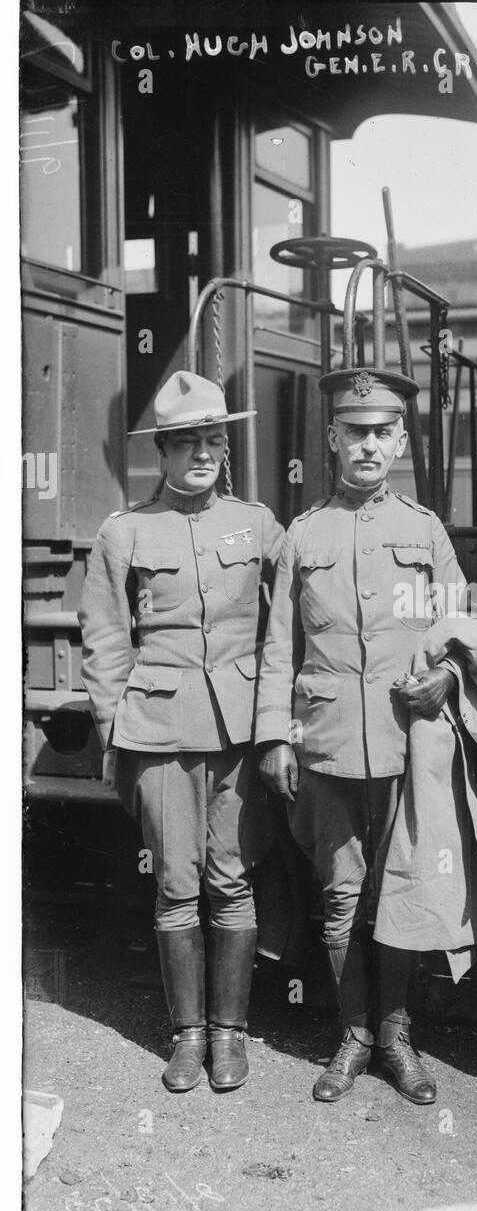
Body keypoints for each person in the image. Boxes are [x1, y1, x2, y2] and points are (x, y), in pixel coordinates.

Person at [256, 365, 465, 1105]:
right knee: (341, 895)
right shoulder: (302, 535)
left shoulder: (425, 531)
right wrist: (275, 739)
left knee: (400, 893)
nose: (368, 445)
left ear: (401, 439)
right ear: (332, 441)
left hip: (407, 746)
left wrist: (449, 678)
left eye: (382, 432)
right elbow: (277, 647)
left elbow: (461, 634)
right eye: (355, 433)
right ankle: (354, 1036)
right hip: (325, 744)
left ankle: (399, 1039)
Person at [78, 371, 284, 1094]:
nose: (202, 453)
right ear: (161, 451)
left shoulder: (257, 524)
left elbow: (293, 614)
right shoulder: (126, 531)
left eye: (213, 440)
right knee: (175, 885)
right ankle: (188, 1037)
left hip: (237, 729)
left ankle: (230, 1034)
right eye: (187, 442)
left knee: (232, 877)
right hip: (159, 730)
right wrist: (117, 730)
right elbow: (104, 637)